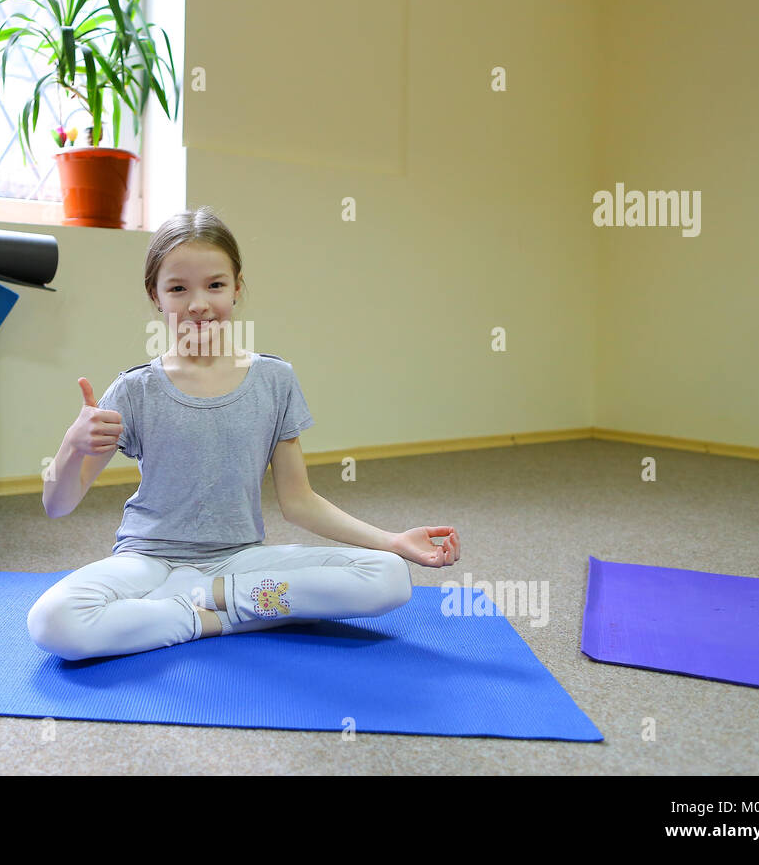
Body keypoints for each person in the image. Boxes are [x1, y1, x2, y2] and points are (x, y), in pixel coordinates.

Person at [28, 206, 461, 661]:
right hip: (147, 562)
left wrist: (393, 540)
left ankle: (216, 600)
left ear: (237, 287)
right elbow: (57, 505)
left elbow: (298, 502)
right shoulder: (134, 389)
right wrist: (71, 447)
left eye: (215, 285)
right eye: (178, 288)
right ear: (155, 296)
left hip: (241, 564)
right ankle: (212, 616)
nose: (198, 303)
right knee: (53, 622)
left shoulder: (275, 380)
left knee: (389, 576)